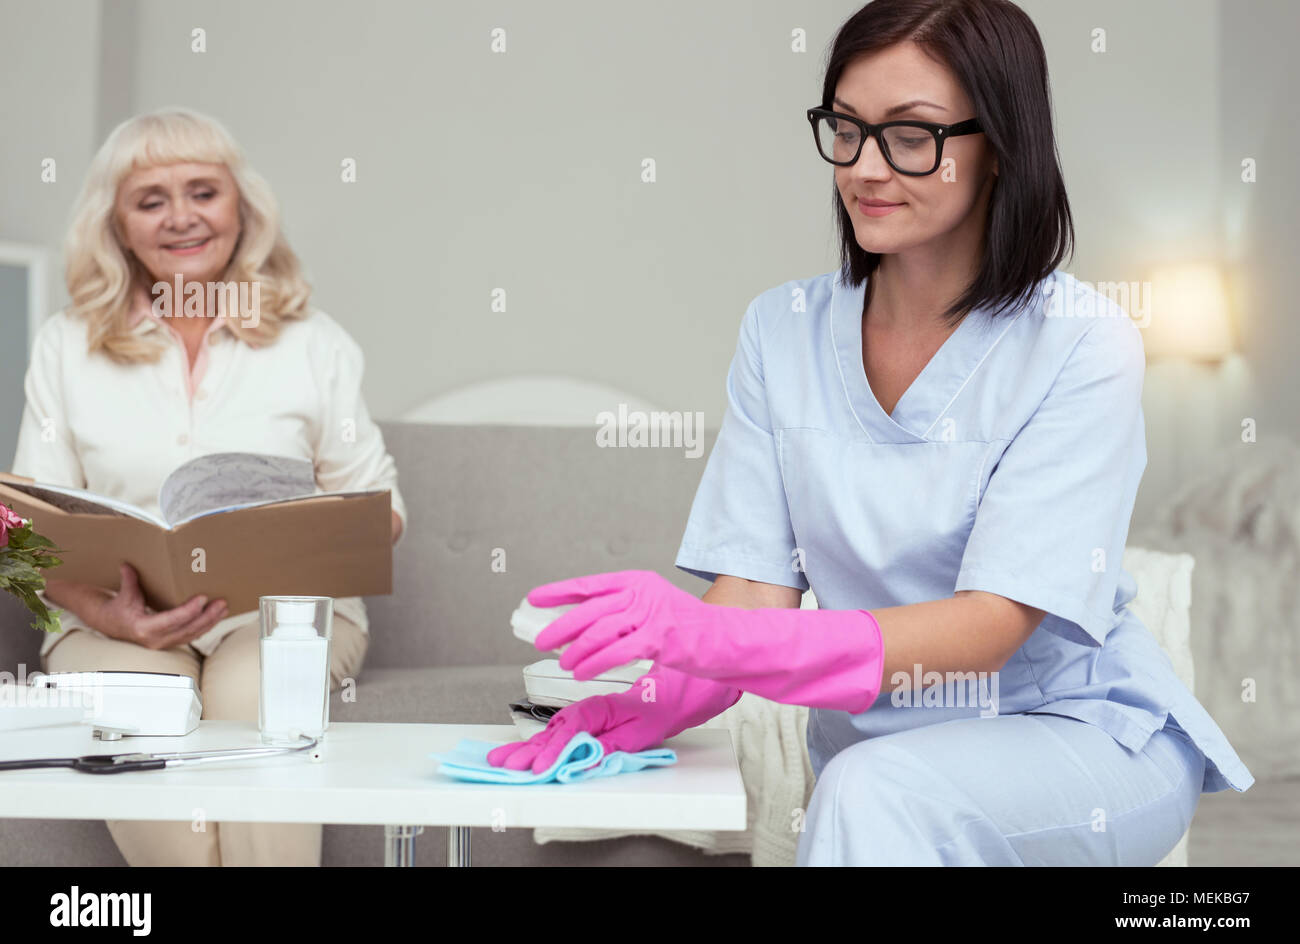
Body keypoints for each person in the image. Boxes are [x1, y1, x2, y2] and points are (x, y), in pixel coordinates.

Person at [488, 0, 1253, 866]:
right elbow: (753, 596)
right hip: (888, 761)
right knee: (874, 782)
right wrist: (648, 701)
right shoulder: (782, 331)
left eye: (910, 135)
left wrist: (700, 634)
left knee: (872, 788)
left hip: (1077, 737)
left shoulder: (1084, 342)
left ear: (999, 147)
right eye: (846, 128)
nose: (865, 166)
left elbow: (989, 626)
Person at [11, 107, 407, 866]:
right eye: (150, 200)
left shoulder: (311, 342)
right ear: (118, 226)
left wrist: (301, 536)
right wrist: (108, 614)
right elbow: (33, 530)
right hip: (114, 623)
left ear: (241, 210)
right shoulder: (67, 346)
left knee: (256, 701)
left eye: (203, 192)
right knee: (136, 713)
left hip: (279, 616)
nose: (181, 218)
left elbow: (381, 510)